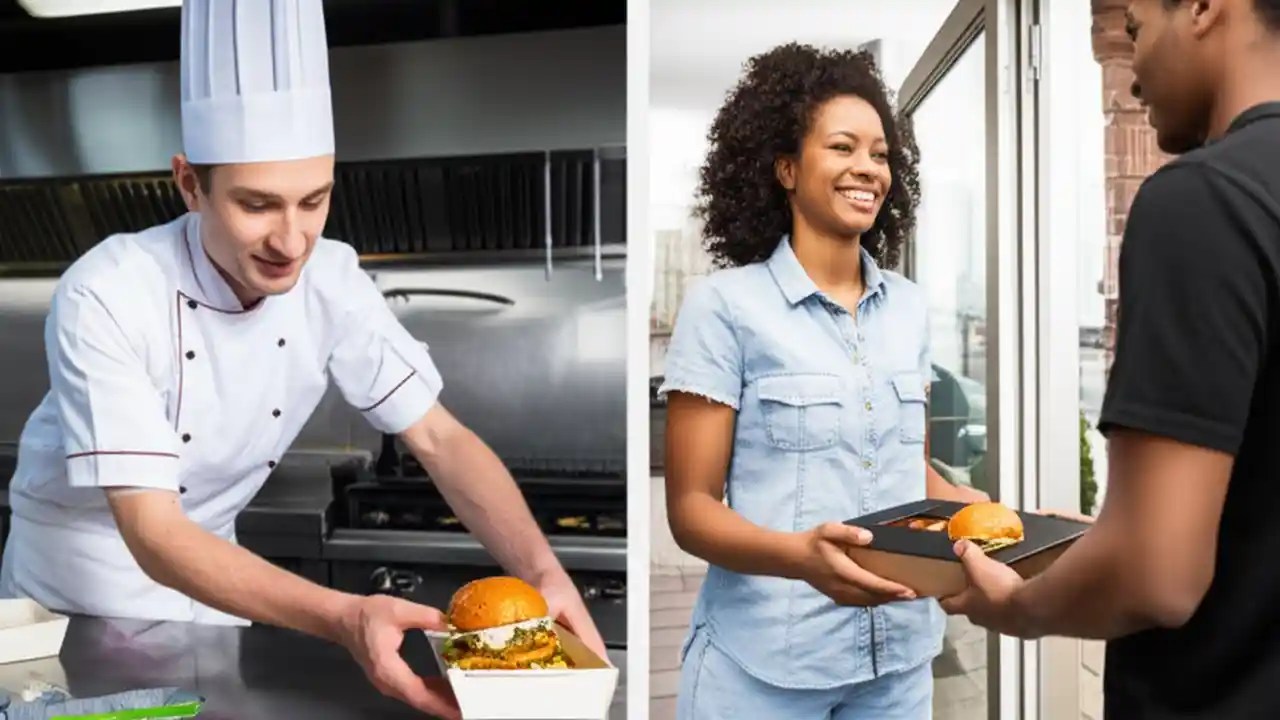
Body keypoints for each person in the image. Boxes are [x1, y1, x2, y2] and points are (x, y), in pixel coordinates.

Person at [0, 2, 603, 718]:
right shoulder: (109, 291)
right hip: (70, 618)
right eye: (257, 205)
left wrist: (543, 571)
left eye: (313, 200)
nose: (291, 241)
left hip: (214, 595)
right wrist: (346, 616)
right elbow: (153, 531)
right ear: (190, 183)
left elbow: (439, 437)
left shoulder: (333, 280)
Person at [940, 0, 1280, 717]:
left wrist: (1020, 607)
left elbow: (1155, 575)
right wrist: (1111, 537)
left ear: (1203, 8)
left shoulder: (1203, 203)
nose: (1131, 79)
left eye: (1134, 31)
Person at [660, 43, 989, 719]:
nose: (867, 167)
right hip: (764, 671)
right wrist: (800, 557)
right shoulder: (725, 307)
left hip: (898, 666)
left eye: (880, 153)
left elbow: (905, 466)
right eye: (843, 147)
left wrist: (968, 507)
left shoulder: (909, 308)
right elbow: (691, 509)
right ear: (786, 167)